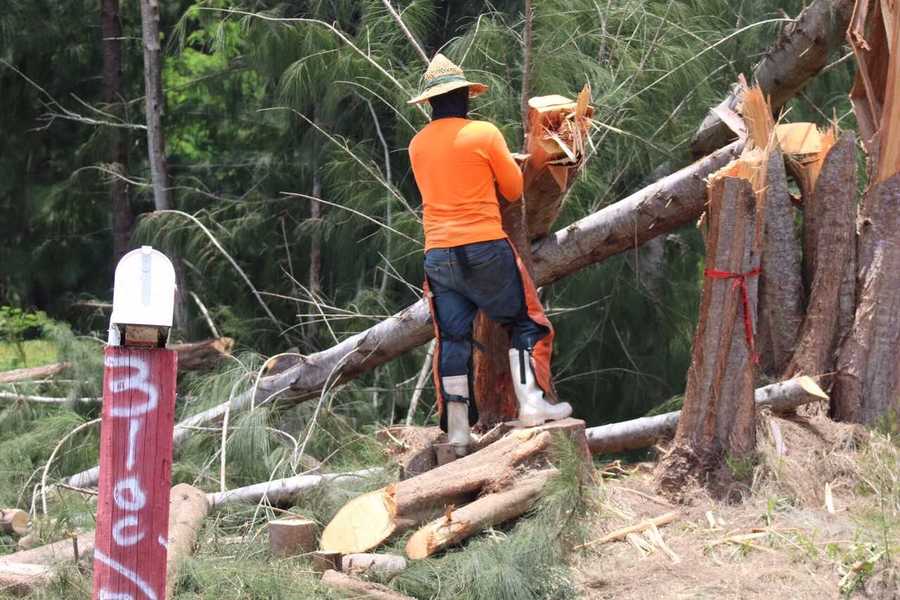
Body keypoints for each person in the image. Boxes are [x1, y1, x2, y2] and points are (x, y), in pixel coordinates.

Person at [407, 54, 572, 456]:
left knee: (453, 339)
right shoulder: (484, 133)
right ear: (465, 96)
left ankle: (459, 430)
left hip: (438, 255)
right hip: (484, 246)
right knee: (526, 322)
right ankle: (532, 404)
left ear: (430, 103)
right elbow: (514, 191)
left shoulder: (417, 144)